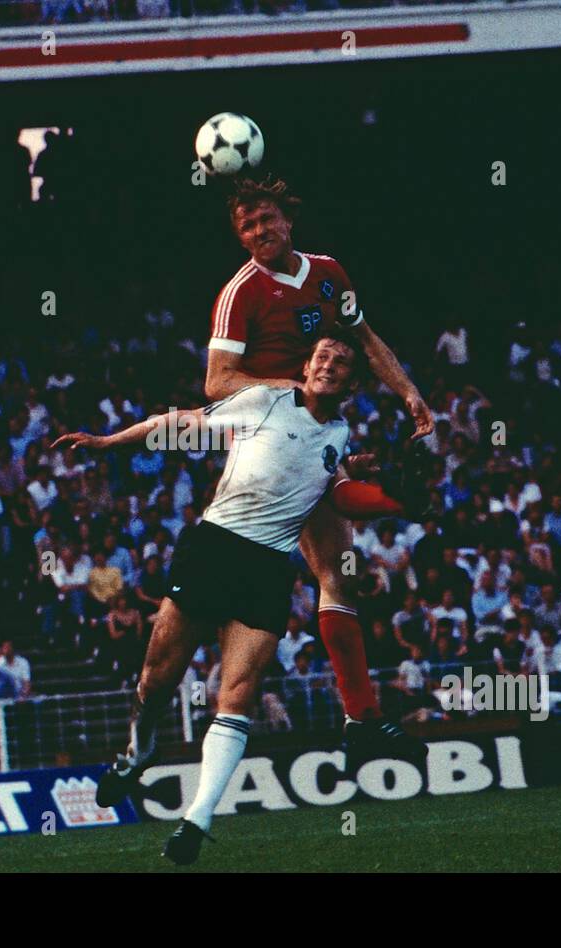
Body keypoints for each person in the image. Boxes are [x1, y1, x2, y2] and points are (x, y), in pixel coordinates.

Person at [55, 333, 421, 865]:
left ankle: (196, 820)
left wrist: (395, 500)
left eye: (341, 362)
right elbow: (179, 423)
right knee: (154, 683)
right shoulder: (265, 399)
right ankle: (140, 749)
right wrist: (109, 442)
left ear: (352, 381)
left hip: (269, 569)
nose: (329, 365)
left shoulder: (339, 436)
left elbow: (340, 496)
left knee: (237, 697)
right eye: (323, 356)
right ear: (308, 363)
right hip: (213, 548)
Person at [200, 175, 436, 765]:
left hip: (321, 425)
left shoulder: (328, 272)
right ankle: (401, 502)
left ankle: (362, 719)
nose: (258, 233)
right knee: (330, 560)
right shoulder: (240, 292)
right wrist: (292, 387)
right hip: (272, 431)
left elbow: (366, 338)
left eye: (266, 220)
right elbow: (217, 383)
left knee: (339, 573)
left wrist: (408, 393)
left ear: (288, 219)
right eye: (245, 226)